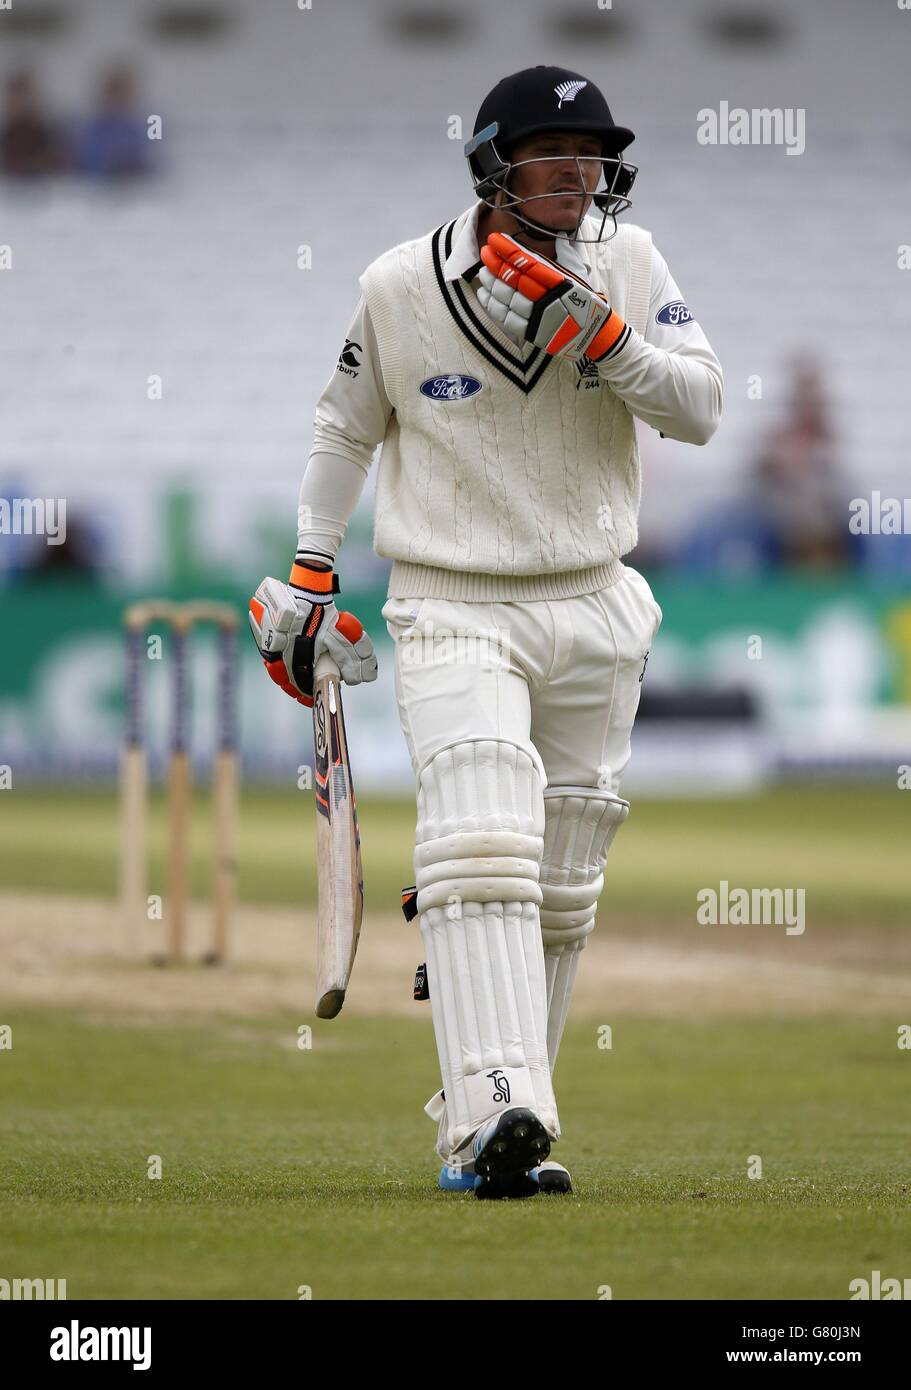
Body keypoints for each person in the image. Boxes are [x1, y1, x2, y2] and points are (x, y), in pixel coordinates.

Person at [249, 65, 723, 1198]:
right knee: (477, 848)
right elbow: (342, 429)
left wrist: (605, 337)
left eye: (592, 159)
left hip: (595, 597)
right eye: (552, 156)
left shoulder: (629, 261)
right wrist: (311, 570)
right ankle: (493, 1110)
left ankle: (504, 1131)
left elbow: (700, 409)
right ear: (493, 169)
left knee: (559, 885)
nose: (577, 178)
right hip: (452, 598)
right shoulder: (399, 284)